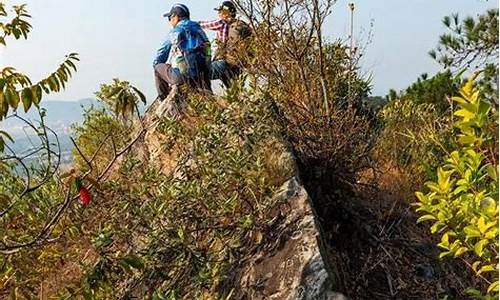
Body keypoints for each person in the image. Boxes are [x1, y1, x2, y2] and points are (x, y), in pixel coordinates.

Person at [153, 3, 212, 101]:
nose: (170, 21)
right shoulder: (199, 29)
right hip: (203, 76)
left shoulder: (174, 32)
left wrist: (162, 64)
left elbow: (161, 54)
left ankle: (164, 100)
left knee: (157, 67)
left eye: (170, 18)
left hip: (182, 76)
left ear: (176, 17)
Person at [198, 1, 252, 88]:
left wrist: (187, 24)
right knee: (234, 90)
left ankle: (208, 98)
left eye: (220, 11)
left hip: (224, 63)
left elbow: (202, 24)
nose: (218, 14)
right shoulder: (242, 24)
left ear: (225, 13)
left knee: (199, 74)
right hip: (237, 66)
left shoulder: (222, 23)